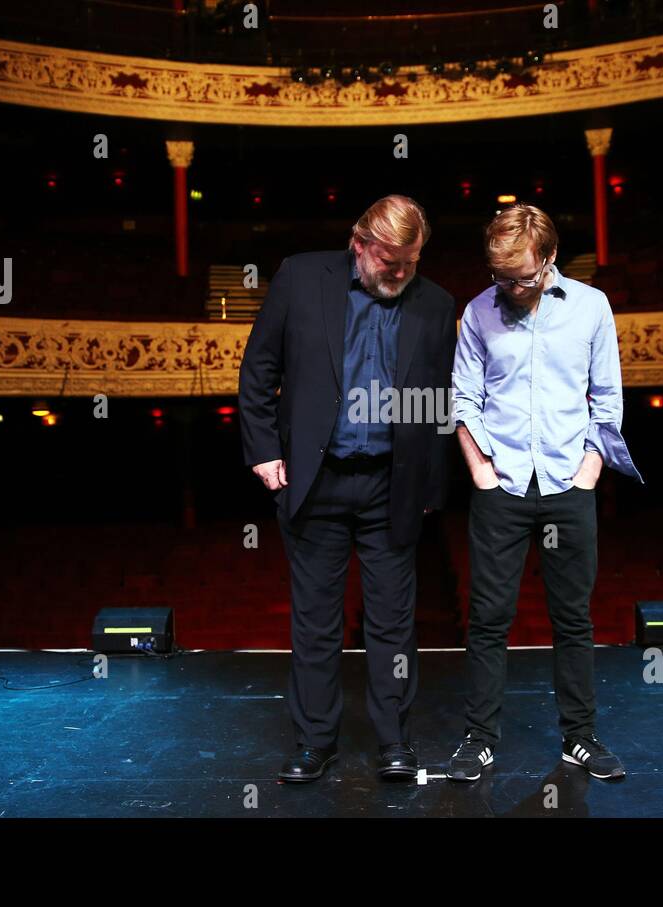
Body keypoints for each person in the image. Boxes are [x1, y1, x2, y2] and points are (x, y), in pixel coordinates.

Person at [238, 195, 457, 782]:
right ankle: (315, 743)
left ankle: (394, 745)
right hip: (317, 481)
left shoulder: (436, 304)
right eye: (391, 262)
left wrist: (432, 480)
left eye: (412, 262)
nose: (402, 274)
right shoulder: (301, 276)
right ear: (360, 245)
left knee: (393, 625)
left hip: (393, 487)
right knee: (315, 622)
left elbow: (439, 399)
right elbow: (259, 367)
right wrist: (263, 450)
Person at [448, 203, 644, 781]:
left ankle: (579, 739)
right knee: (487, 617)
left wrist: (587, 475)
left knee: (573, 619)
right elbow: (463, 401)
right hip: (501, 485)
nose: (510, 288)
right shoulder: (478, 311)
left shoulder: (591, 307)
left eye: (522, 277)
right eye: (500, 277)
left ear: (551, 258)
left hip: (568, 484)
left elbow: (607, 402)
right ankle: (478, 740)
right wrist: (483, 474)